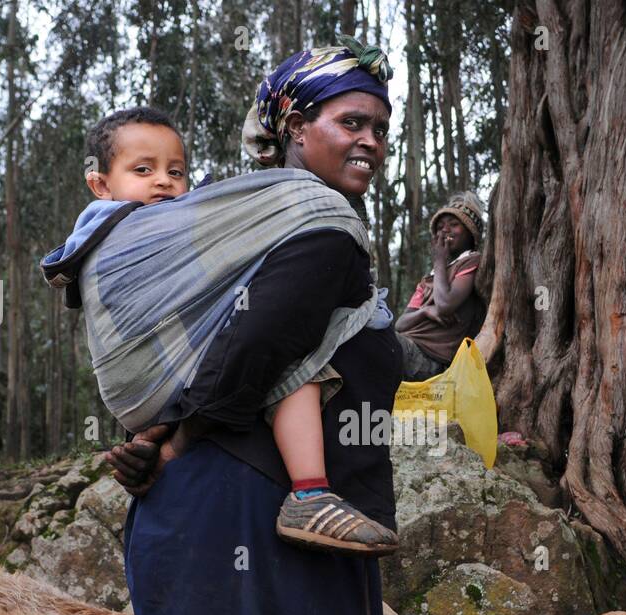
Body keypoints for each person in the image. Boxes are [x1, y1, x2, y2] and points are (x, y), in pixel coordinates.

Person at [105, 37, 401, 615]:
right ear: (295, 127)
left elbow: (305, 356)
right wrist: (173, 432)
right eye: (351, 121)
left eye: (381, 125)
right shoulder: (316, 226)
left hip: (260, 518)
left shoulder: (287, 231)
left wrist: (437, 317)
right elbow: (247, 351)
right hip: (254, 521)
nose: (371, 139)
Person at [44, 105, 396, 556]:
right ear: (100, 184)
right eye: (143, 169)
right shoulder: (118, 234)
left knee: (298, 359)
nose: (163, 181)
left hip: (191, 434)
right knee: (300, 372)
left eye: (176, 171)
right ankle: (309, 491)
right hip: (188, 429)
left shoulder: (223, 219)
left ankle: (310, 495)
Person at [394, 191, 487, 381]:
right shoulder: (430, 278)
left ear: (470, 233)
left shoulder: (471, 261)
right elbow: (400, 324)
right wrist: (425, 311)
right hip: (408, 347)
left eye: (454, 225)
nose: (445, 231)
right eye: (441, 227)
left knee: (372, 341)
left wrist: (439, 260)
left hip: (431, 360)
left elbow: (445, 306)